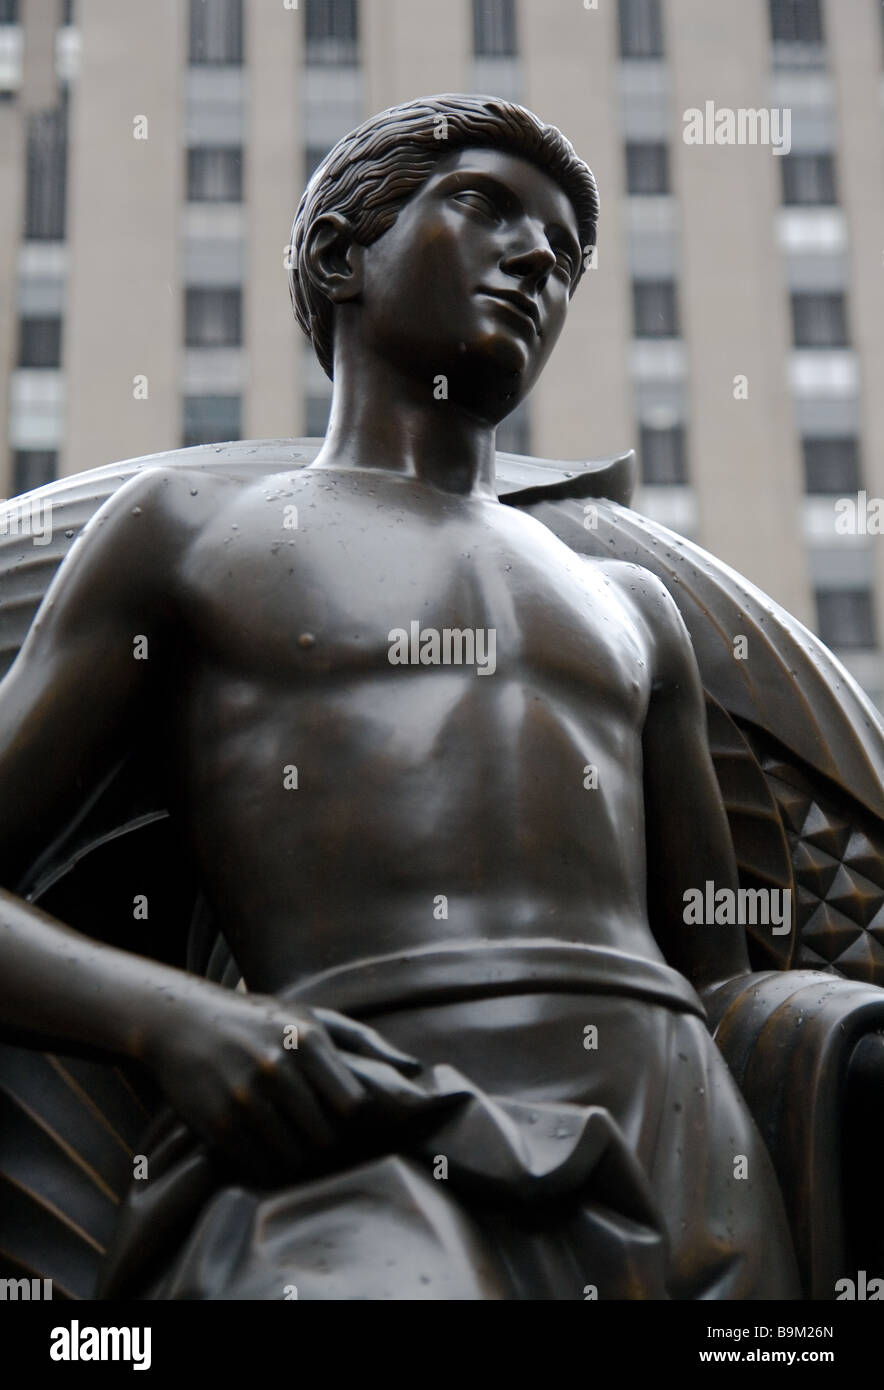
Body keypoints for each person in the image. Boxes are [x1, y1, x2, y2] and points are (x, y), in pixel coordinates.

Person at [0, 94, 802, 1299]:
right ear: (340, 258)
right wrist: (171, 1021)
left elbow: (720, 976)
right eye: (483, 206)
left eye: (566, 253)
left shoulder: (634, 607)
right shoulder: (182, 539)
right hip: (356, 1127)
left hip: (683, 1147)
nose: (537, 256)